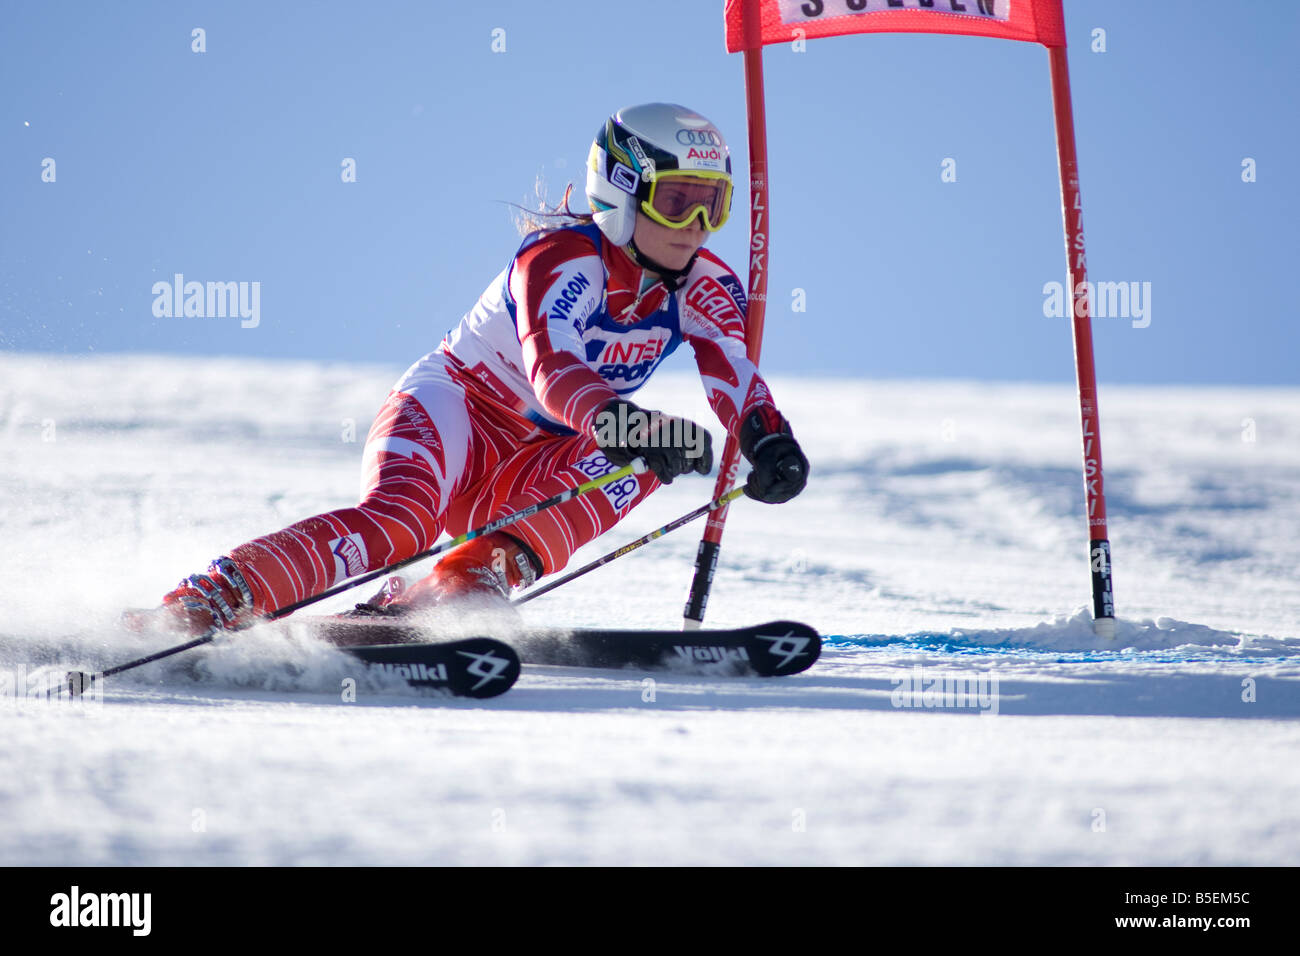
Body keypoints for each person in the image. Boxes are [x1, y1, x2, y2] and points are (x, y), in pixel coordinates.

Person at [140, 103, 809, 638]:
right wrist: (619, 420)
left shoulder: (705, 284)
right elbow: (554, 368)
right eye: (678, 202)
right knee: (398, 526)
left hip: (541, 457)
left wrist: (766, 438)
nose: (695, 227)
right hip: (455, 411)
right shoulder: (561, 258)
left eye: (712, 206)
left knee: (667, 448)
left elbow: (733, 369)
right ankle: (211, 597)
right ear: (624, 192)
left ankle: (466, 579)